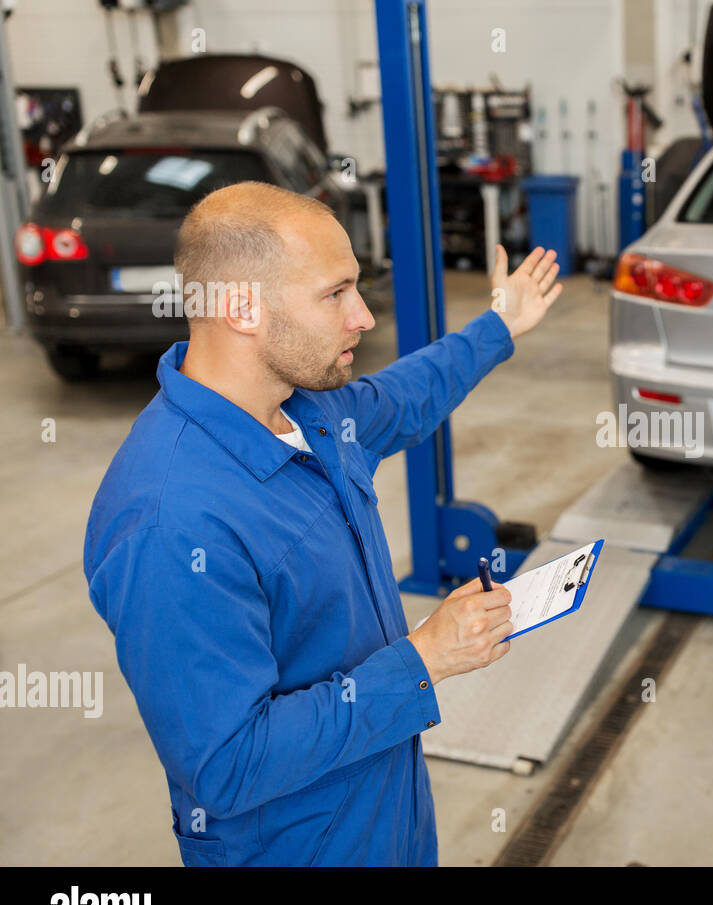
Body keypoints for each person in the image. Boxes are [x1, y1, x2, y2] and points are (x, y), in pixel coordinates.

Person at [84, 181, 563, 865]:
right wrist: (425, 660)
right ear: (243, 309)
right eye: (335, 294)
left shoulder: (307, 409)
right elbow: (226, 765)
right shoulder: (169, 520)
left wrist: (498, 326)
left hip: (388, 819)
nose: (363, 316)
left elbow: (402, 398)